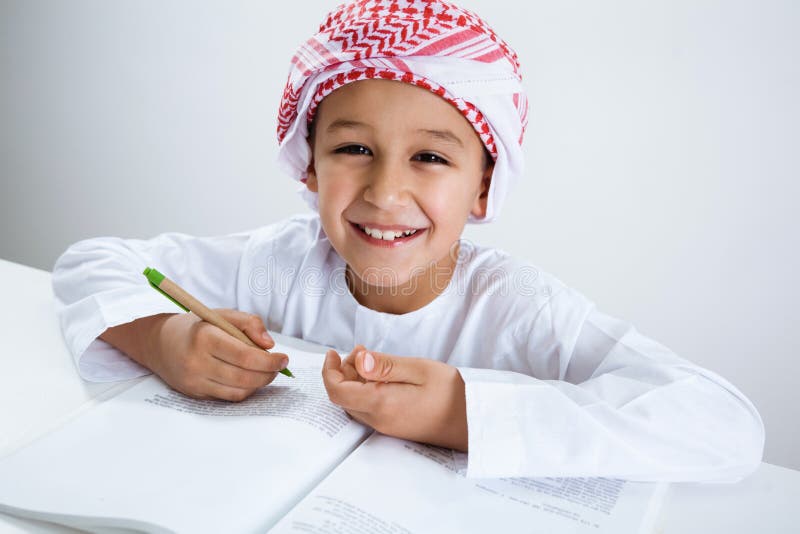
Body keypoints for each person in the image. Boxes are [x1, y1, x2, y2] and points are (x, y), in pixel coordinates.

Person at [52, 0, 763, 481]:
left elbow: (723, 424)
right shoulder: (277, 265)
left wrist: (461, 413)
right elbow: (93, 262)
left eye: (430, 157)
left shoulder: (522, 310)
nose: (386, 192)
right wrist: (162, 338)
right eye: (354, 149)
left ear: (484, 186)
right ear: (309, 165)